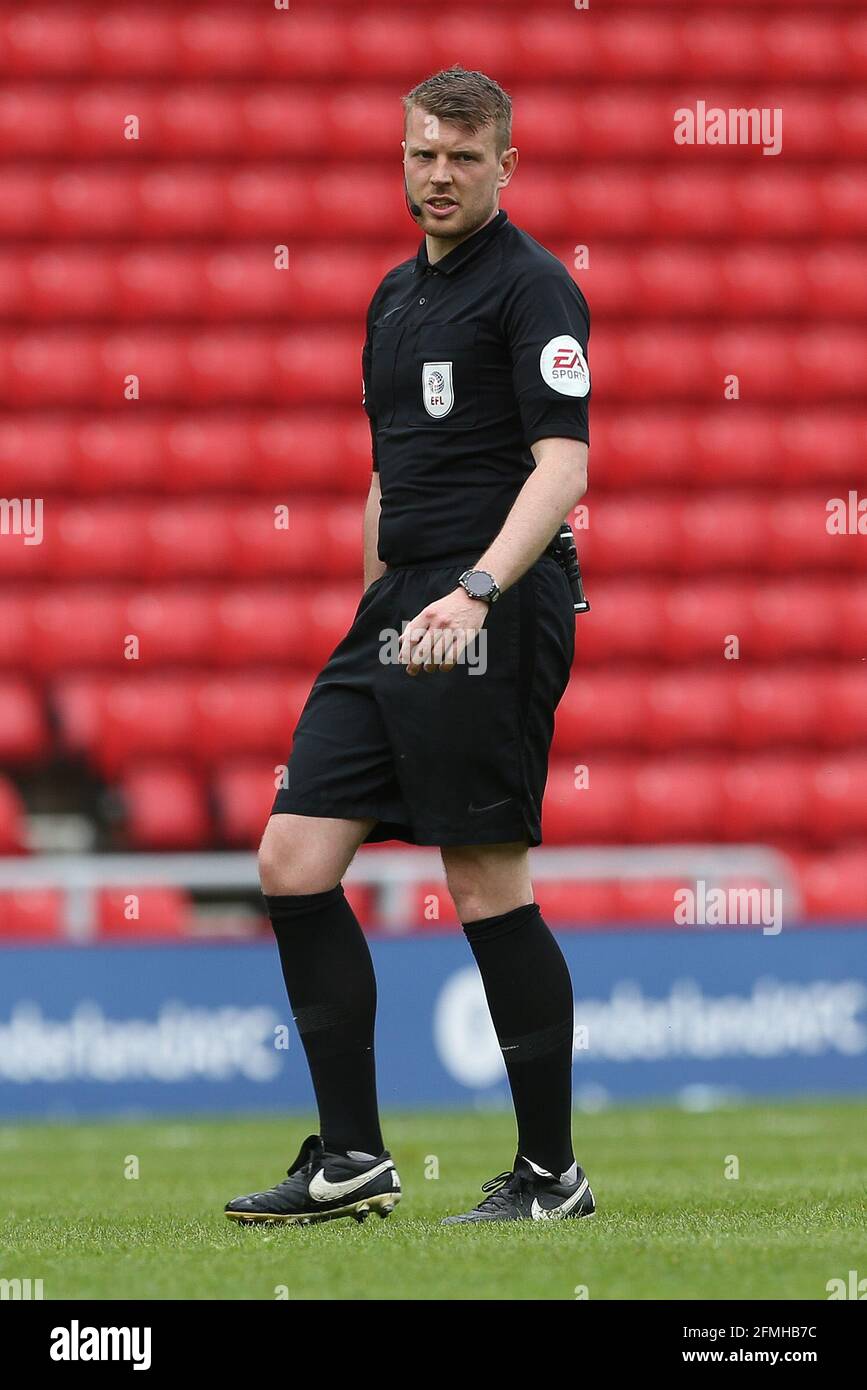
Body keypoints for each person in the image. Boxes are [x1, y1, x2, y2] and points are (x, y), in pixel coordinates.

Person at [226, 65, 594, 1227]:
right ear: (404, 154)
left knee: (483, 875)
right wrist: (373, 605)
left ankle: (550, 1177)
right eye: (424, 152)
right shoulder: (391, 298)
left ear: (505, 165)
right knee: (292, 858)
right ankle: (351, 1155)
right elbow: (388, 477)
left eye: (463, 156)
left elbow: (565, 468)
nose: (439, 173)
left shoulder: (535, 290)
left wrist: (481, 588)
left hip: (492, 602)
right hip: (397, 612)